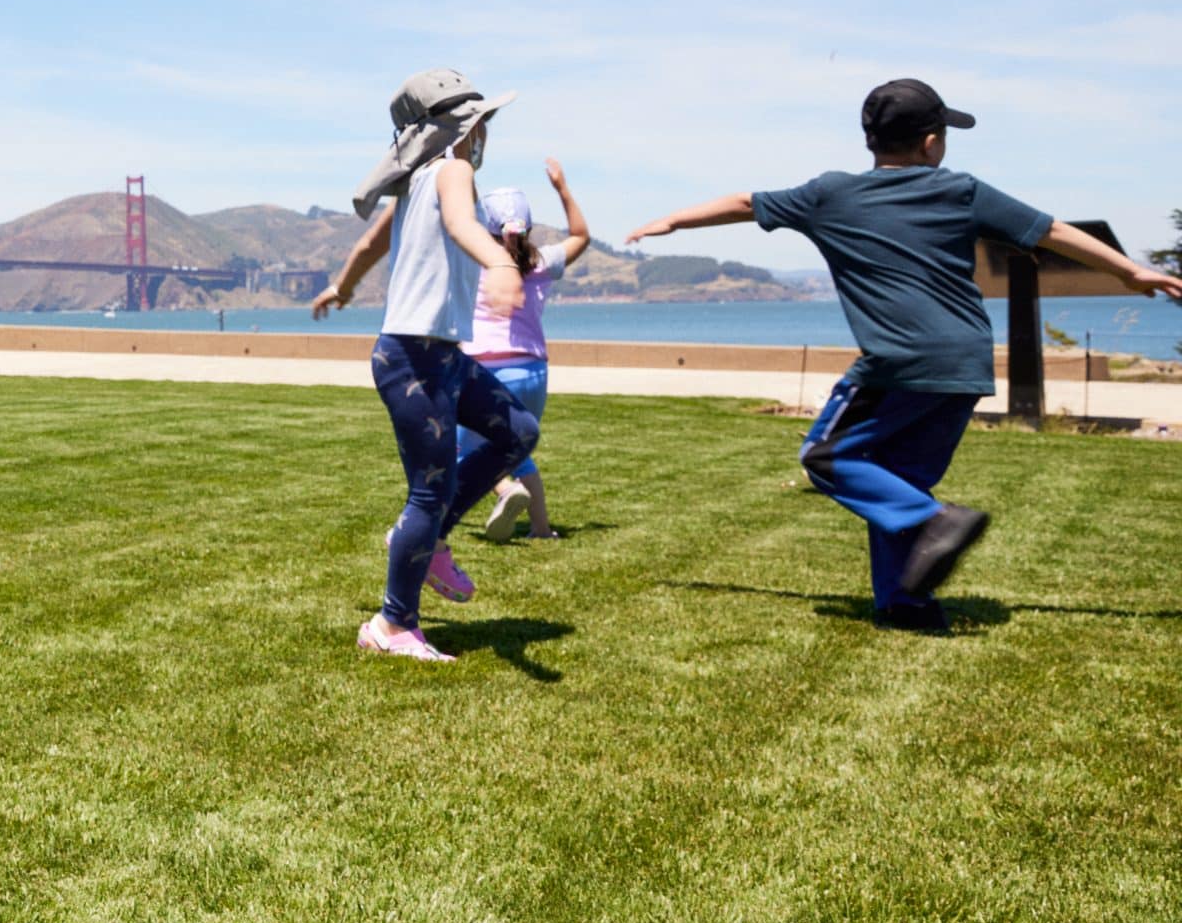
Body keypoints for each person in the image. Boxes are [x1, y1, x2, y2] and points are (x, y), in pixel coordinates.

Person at [626, 77, 1182, 632]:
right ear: (932, 142)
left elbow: (746, 202)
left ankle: (934, 521)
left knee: (826, 458)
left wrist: (674, 219)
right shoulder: (962, 191)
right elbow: (1051, 230)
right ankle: (906, 602)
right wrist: (1130, 269)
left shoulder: (831, 194)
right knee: (894, 478)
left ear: (871, 140)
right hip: (965, 363)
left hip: (899, 360)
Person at [313, 68, 537, 662]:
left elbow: (366, 247)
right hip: (415, 357)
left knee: (518, 431)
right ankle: (393, 625)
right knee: (427, 492)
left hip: (440, 356)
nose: (486, 132)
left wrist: (341, 289)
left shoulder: (415, 183)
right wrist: (503, 264)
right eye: (483, 121)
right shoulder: (452, 172)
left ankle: (434, 541)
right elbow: (465, 225)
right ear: (464, 127)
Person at [463, 159, 591, 542]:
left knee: (462, 445)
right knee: (517, 446)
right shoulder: (541, 262)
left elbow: (454, 229)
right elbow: (581, 236)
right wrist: (562, 188)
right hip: (534, 369)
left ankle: (504, 489)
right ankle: (540, 528)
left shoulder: (472, 262)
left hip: (484, 366)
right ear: (529, 226)